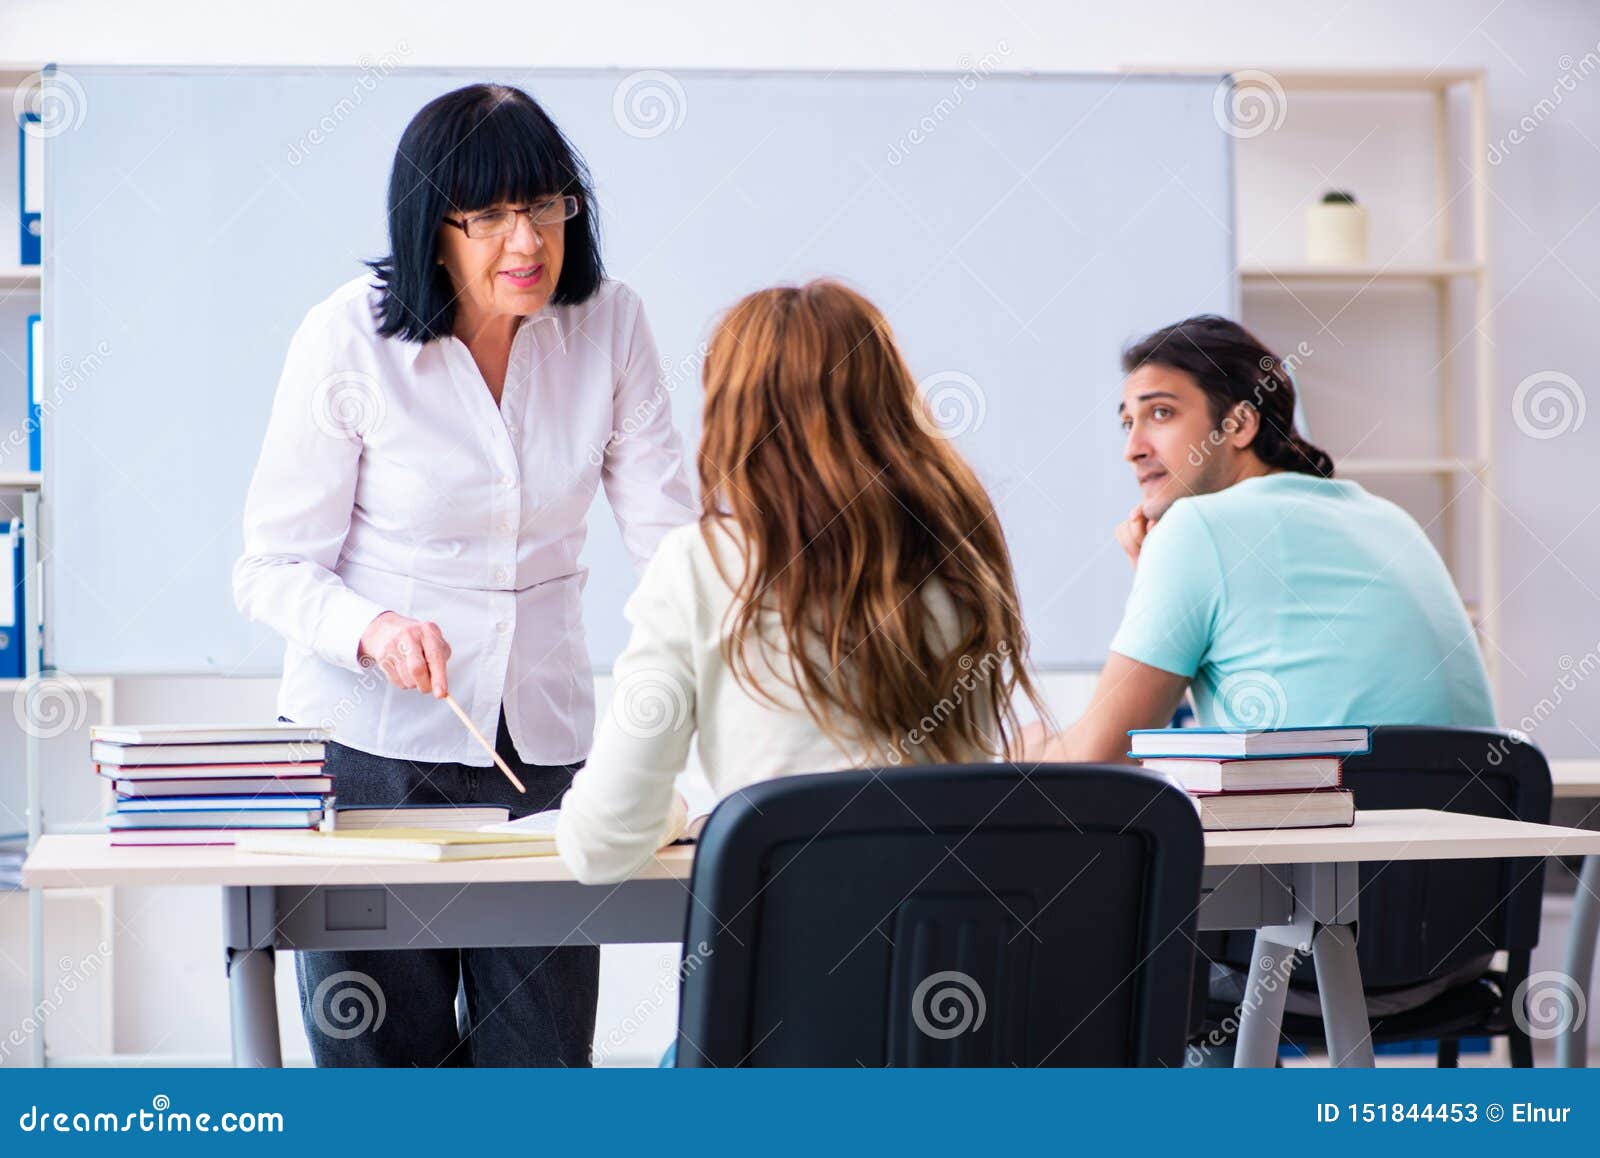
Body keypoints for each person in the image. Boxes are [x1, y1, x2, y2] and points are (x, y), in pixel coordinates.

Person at [232, 84, 695, 1067]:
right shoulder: (348, 337)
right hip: (371, 750)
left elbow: (674, 545)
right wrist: (376, 631)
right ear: (431, 228)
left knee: (542, 1067)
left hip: (541, 755)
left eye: (545, 206)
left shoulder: (610, 324)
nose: (525, 240)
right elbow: (270, 567)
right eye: (487, 215)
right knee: (383, 1074)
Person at [1021, 313, 1495, 1034]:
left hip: (1297, 956)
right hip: (1456, 949)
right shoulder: (1387, 518)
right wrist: (1159, 581)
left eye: (1160, 414)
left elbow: (1096, 757)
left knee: (1053, 925)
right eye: (1126, 422)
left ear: (1239, 423)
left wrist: (1016, 751)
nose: (1133, 447)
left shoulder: (1197, 530)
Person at [555, 280, 1051, 887]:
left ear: (735, 416)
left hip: (786, 944)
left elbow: (599, 846)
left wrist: (676, 813)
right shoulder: (961, 550)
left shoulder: (702, 565)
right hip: (955, 938)